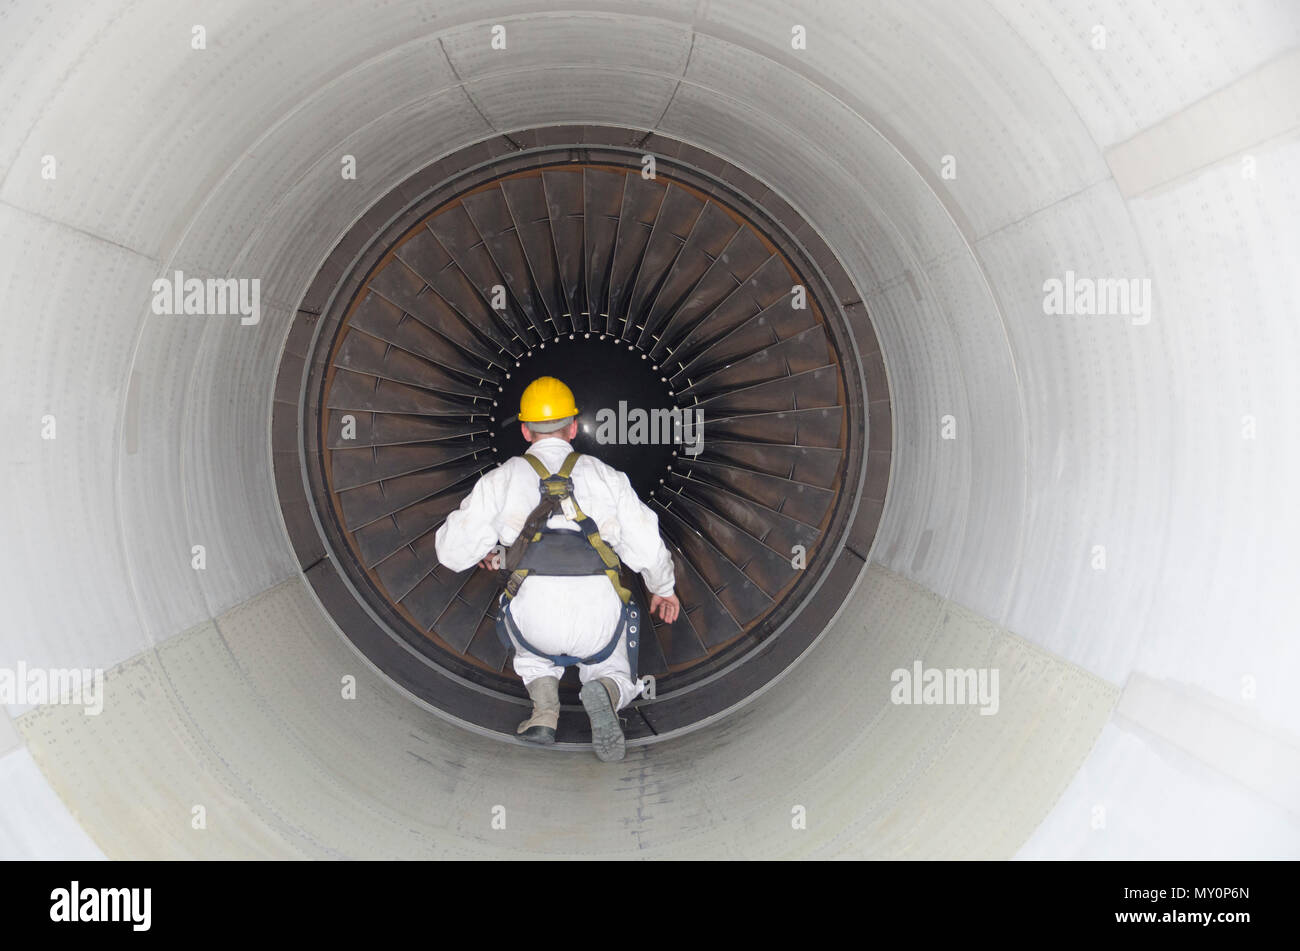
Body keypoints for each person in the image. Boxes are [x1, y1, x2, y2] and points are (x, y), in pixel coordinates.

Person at [434, 376, 680, 762]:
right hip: (597, 622)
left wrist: (489, 546)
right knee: (614, 657)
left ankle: (544, 711)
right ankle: (608, 689)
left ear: (525, 430)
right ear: (573, 427)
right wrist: (663, 588)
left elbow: (451, 553)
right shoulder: (607, 477)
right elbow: (648, 547)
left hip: (536, 624)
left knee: (524, 629)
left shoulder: (500, 480)